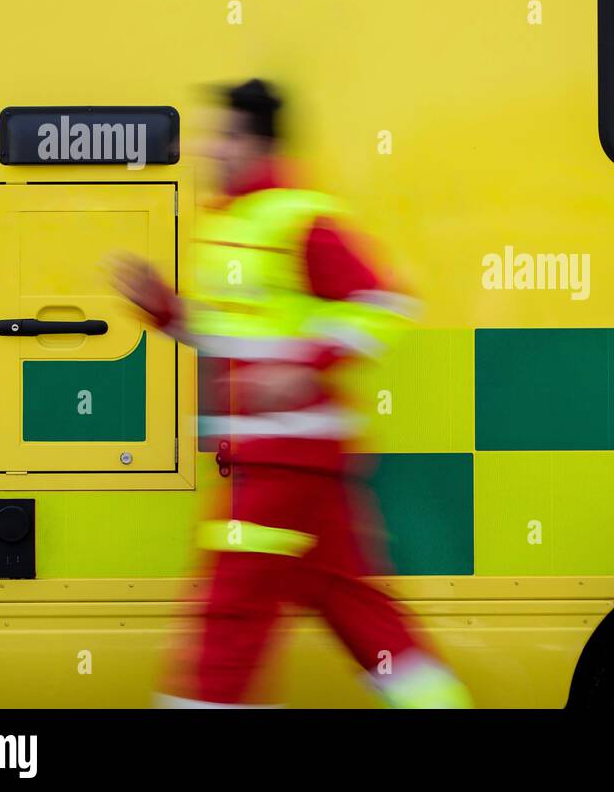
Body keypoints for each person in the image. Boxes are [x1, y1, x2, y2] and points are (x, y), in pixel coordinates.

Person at [110, 78, 472, 708]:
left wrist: (307, 364)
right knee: (353, 605)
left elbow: (383, 302)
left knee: (231, 613)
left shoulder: (296, 214)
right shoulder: (231, 221)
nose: (205, 148)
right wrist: (164, 310)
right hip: (287, 460)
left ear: (255, 143)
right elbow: (227, 334)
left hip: (283, 458)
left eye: (220, 135)